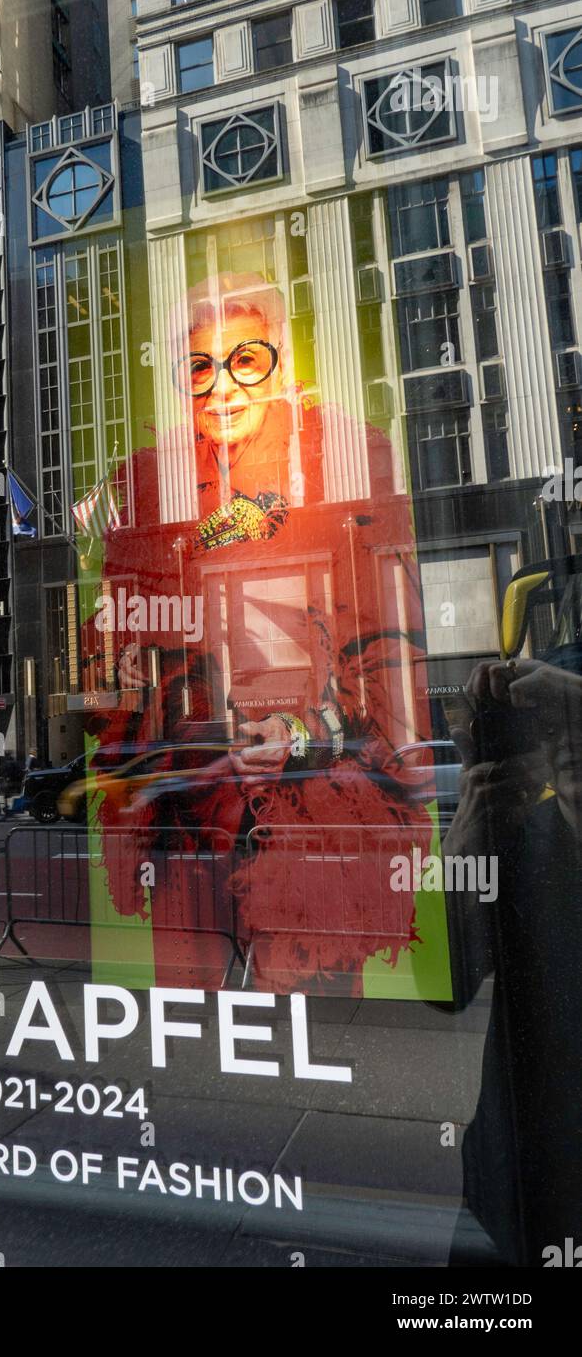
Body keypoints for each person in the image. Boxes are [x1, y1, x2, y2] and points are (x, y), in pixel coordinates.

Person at [82, 271, 436, 993]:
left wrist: (309, 731)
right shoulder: (151, 479)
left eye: (246, 361)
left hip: (312, 826)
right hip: (186, 820)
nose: (223, 388)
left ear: (280, 358)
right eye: (201, 368)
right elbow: (127, 648)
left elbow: (389, 647)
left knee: (315, 1027)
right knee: (190, 1030)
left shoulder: (341, 456)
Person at [442, 653, 582, 1266]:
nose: (567, 743)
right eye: (551, 727)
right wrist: (467, 841)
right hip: (514, 1191)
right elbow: (444, 984)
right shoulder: (526, 839)